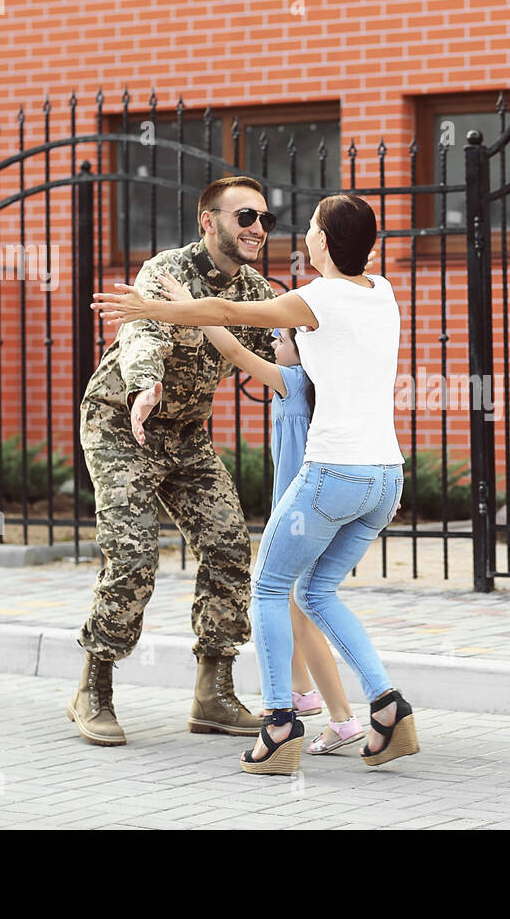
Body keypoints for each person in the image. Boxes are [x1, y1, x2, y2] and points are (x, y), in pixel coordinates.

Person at [94, 194, 417, 776]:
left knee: (269, 588)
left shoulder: (315, 300)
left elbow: (233, 317)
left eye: (312, 227)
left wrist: (153, 306)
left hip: (334, 474)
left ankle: (279, 726)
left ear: (324, 242)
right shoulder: (384, 291)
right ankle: (388, 708)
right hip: (385, 479)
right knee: (317, 594)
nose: (299, 233)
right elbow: (239, 331)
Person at [68, 175, 278, 747]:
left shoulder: (255, 292)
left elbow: (279, 352)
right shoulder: (166, 271)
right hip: (121, 424)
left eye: (265, 219)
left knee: (230, 547)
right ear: (209, 222)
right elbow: (144, 333)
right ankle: (95, 686)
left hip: (186, 435)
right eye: (245, 218)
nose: (258, 228)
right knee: (135, 554)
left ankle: (213, 693)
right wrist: (145, 385)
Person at [152, 274, 365, 757]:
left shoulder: (294, 381)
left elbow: (233, 351)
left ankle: (342, 718)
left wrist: (191, 305)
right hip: (310, 505)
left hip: (302, 508)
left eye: (282, 336)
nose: (273, 339)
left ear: (303, 349)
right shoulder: (320, 385)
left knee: (298, 605)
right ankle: (302, 691)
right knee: (296, 600)